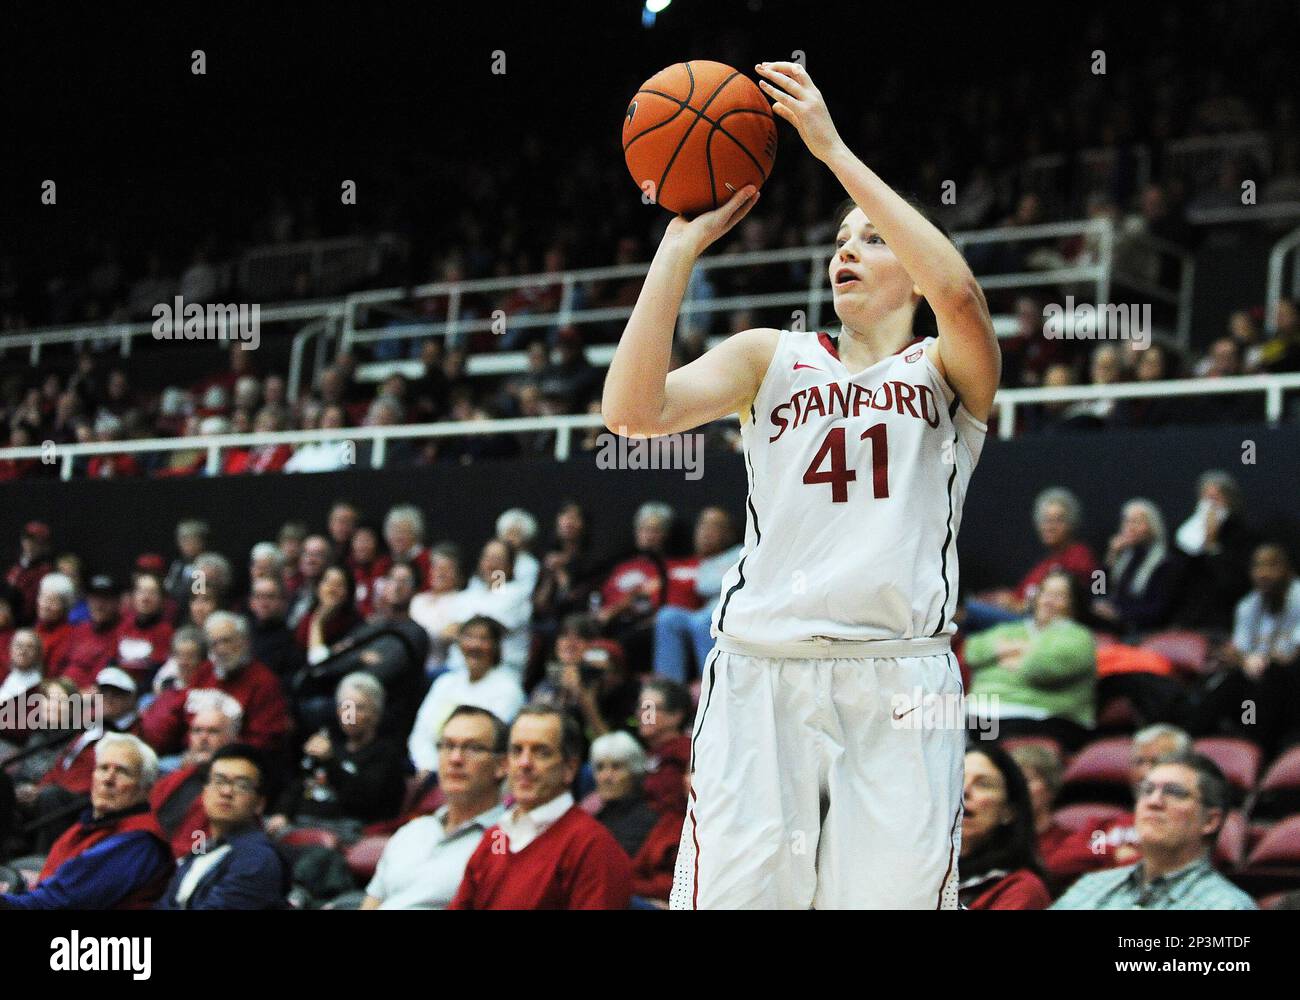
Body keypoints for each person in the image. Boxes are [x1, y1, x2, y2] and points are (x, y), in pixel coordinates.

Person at [604, 59, 1000, 909]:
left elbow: (960, 291)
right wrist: (676, 251)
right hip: (762, 669)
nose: (848, 251)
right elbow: (630, 413)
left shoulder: (945, 369)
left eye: (873, 238)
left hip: (901, 675)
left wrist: (830, 149)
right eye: (838, 241)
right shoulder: (767, 356)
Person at [450, 706, 633, 909]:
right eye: (517, 751)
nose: (525, 763)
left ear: (569, 769)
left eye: (542, 753)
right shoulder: (496, 838)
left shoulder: (594, 848)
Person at [1052, 753, 1256, 910]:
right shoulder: (1092, 885)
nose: (1153, 801)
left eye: (1175, 792)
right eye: (1147, 790)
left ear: (1210, 821)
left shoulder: (1228, 906)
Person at [0, 733, 172, 909]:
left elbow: (63, 901)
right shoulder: (89, 826)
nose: (108, 779)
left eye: (122, 771)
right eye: (103, 768)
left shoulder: (139, 841)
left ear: (146, 788)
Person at [361, 706, 507, 909]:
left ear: (502, 765)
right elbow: (371, 904)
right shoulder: (413, 831)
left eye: (472, 748)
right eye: (447, 746)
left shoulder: (506, 841)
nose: (455, 758)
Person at [962, 570, 1098, 749]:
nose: (1048, 601)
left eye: (1059, 596)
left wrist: (1007, 654)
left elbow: (1039, 669)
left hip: (1040, 717)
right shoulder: (1014, 629)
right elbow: (972, 651)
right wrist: (1019, 650)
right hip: (978, 712)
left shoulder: (1078, 636)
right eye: (1045, 593)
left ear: (1073, 603)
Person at [266, 672, 406, 837]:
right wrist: (282, 812)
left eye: (358, 708)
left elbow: (365, 801)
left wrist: (330, 761)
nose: (349, 716)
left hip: (346, 829)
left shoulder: (386, 754)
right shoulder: (331, 743)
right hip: (300, 822)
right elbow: (300, 783)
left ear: (375, 712)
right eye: (345, 707)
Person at [1045, 724, 1191, 881]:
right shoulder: (1103, 828)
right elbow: (1058, 863)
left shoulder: (1186, 827)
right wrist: (1113, 853)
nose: (1144, 773)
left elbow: (1158, 870)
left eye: (1156, 762)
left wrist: (1103, 861)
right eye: (1139, 762)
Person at [1196, 543, 1300, 752]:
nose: (1263, 573)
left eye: (1271, 565)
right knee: (1231, 682)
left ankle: (1256, 747)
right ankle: (1194, 738)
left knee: (1269, 677)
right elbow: (1238, 652)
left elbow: (1292, 655)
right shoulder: (1248, 604)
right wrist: (1245, 660)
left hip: (1291, 682)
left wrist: (1257, 660)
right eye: (1258, 567)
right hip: (1256, 681)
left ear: (1287, 569)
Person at [156, 744, 288, 910]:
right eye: (219, 781)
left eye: (241, 785)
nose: (226, 791)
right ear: (204, 793)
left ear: (259, 804)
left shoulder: (257, 858)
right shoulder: (203, 846)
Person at [408, 616, 525, 778]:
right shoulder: (445, 682)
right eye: (469, 637)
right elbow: (421, 734)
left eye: (483, 639)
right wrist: (428, 767)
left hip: (475, 775)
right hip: (429, 771)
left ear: (496, 645)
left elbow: (488, 743)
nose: (475, 645)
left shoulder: (508, 689)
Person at [652, 507, 742, 684]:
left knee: (703, 621)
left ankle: (712, 685)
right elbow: (703, 586)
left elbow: (709, 585)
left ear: (729, 533)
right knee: (668, 616)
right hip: (705, 612)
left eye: (715, 526)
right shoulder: (704, 561)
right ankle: (668, 688)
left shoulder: (741, 551)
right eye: (703, 525)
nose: (707, 531)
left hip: (732, 614)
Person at [958, 744, 1051, 909]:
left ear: (1008, 812)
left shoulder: (1021, 889)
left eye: (983, 784)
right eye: (956, 779)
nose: (963, 790)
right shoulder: (913, 870)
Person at [149, 705, 242, 858]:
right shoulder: (169, 781)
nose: (203, 738)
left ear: (232, 740)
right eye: (197, 731)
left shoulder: (236, 790)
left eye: (213, 731)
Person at [1091, 499, 1180, 637]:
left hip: (1143, 632)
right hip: (1114, 628)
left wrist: (1120, 614)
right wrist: (1110, 557)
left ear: (1151, 527)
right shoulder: (1124, 557)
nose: (1129, 527)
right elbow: (1097, 590)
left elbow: (1159, 610)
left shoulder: (1164, 562)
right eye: (1126, 521)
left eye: (1136, 522)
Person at [588, 731, 661, 858]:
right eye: (600, 768)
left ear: (634, 771)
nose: (606, 776)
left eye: (616, 767)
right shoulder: (596, 817)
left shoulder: (647, 820)